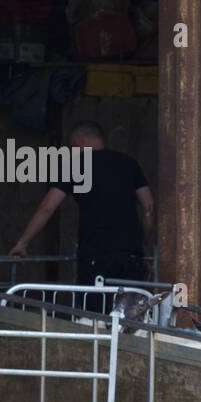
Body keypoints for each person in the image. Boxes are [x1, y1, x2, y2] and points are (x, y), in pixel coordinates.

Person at [10, 120, 153, 290]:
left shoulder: (76, 165)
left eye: (72, 147)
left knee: (92, 314)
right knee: (131, 314)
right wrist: (143, 246)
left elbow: (47, 207)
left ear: (80, 142)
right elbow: (148, 207)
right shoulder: (129, 163)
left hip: (95, 256)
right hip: (131, 255)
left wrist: (23, 242)